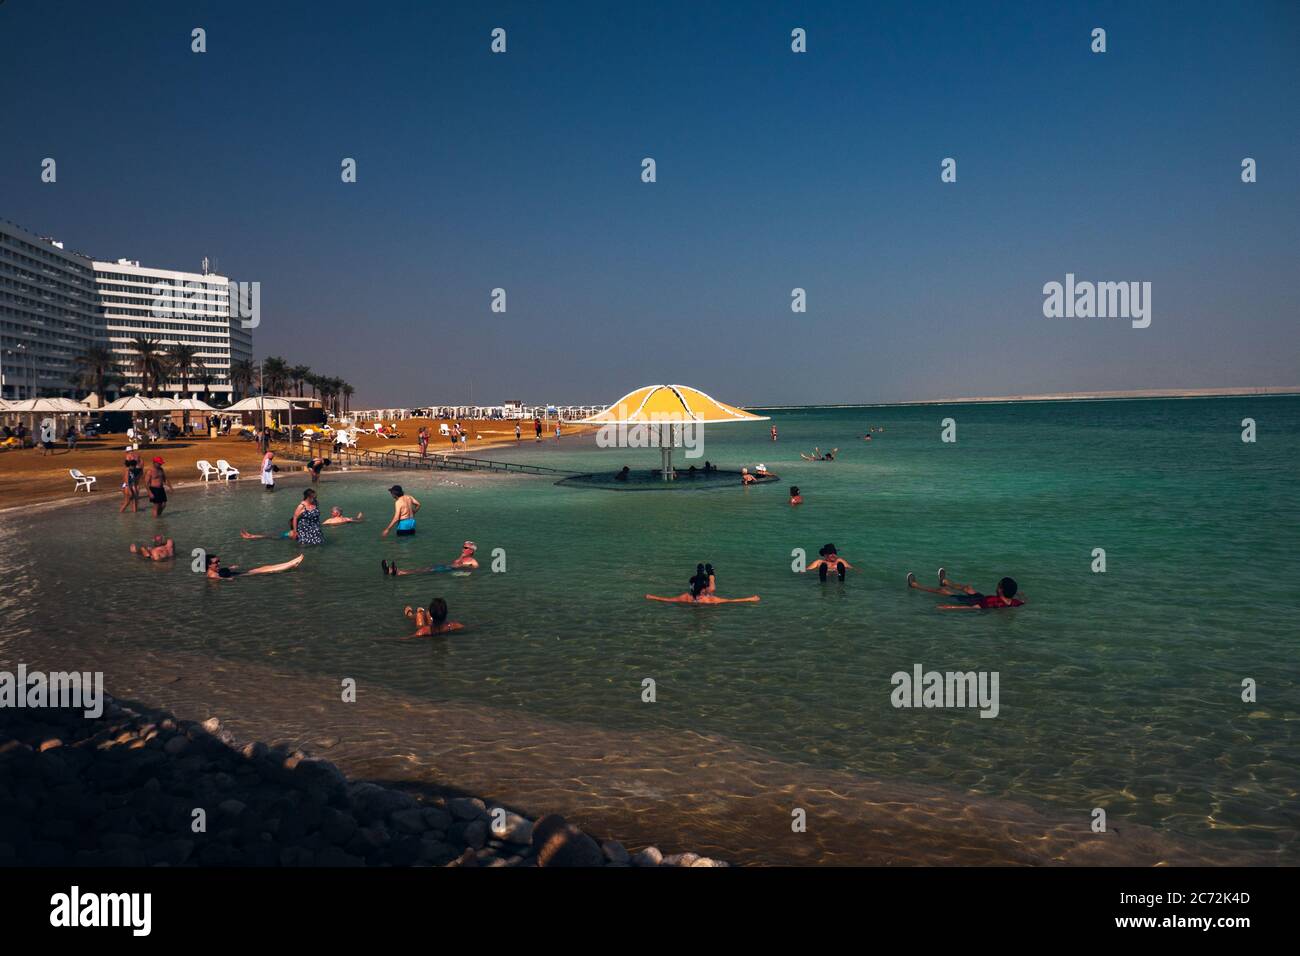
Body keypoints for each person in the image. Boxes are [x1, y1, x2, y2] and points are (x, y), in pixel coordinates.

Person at [906, 568, 1025, 610]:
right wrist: (1018, 593)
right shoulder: (1015, 602)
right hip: (981, 598)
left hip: (974, 601)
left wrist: (949, 607)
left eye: (998, 585)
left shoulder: (993, 602)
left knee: (943, 592)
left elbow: (973, 608)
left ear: (1001, 590)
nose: (996, 586)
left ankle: (915, 585)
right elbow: (1024, 601)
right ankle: (944, 581)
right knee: (967, 588)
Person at [382, 541, 478, 575]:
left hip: (448, 569)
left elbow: (474, 570)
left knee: (425, 570)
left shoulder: (473, 561)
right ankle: (391, 571)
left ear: (471, 551)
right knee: (424, 569)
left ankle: (399, 572)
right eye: (463, 546)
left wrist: (462, 571)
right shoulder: (461, 557)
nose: (462, 548)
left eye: (465, 547)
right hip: (445, 567)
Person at [646, 576, 759, 604]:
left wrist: (652, 597)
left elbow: (668, 600)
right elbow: (731, 601)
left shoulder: (686, 597)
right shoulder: (710, 600)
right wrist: (750, 598)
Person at [206, 553, 304, 579]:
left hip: (237, 573)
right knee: (267, 570)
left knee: (266, 567)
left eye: (219, 561)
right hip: (240, 575)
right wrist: (227, 579)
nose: (219, 563)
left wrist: (230, 568)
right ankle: (291, 564)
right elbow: (218, 578)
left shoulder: (214, 571)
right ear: (209, 565)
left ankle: (291, 562)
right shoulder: (212, 575)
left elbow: (220, 572)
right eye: (216, 562)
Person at [120, 448, 143, 513]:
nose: (134, 467)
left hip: (131, 485)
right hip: (127, 486)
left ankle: (134, 514)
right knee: (127, 502)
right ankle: (121, 513)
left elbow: (136, 477)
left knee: (135, 501)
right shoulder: (127, 470)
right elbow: (127, 481)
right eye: (134, 466)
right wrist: (130, 490)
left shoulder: (133, 470)